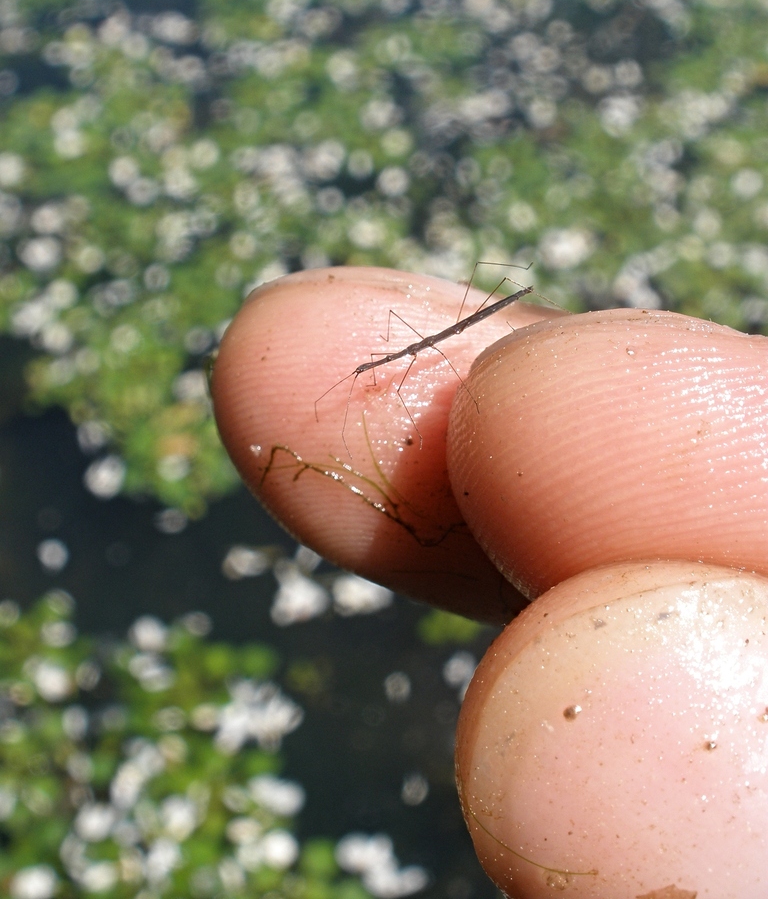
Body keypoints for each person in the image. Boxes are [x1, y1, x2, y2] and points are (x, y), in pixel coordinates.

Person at [212, 265, 768, 898]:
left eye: (368, 375)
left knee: (477, 375)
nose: (370, 376)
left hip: (486, 360)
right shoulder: (388, 361)